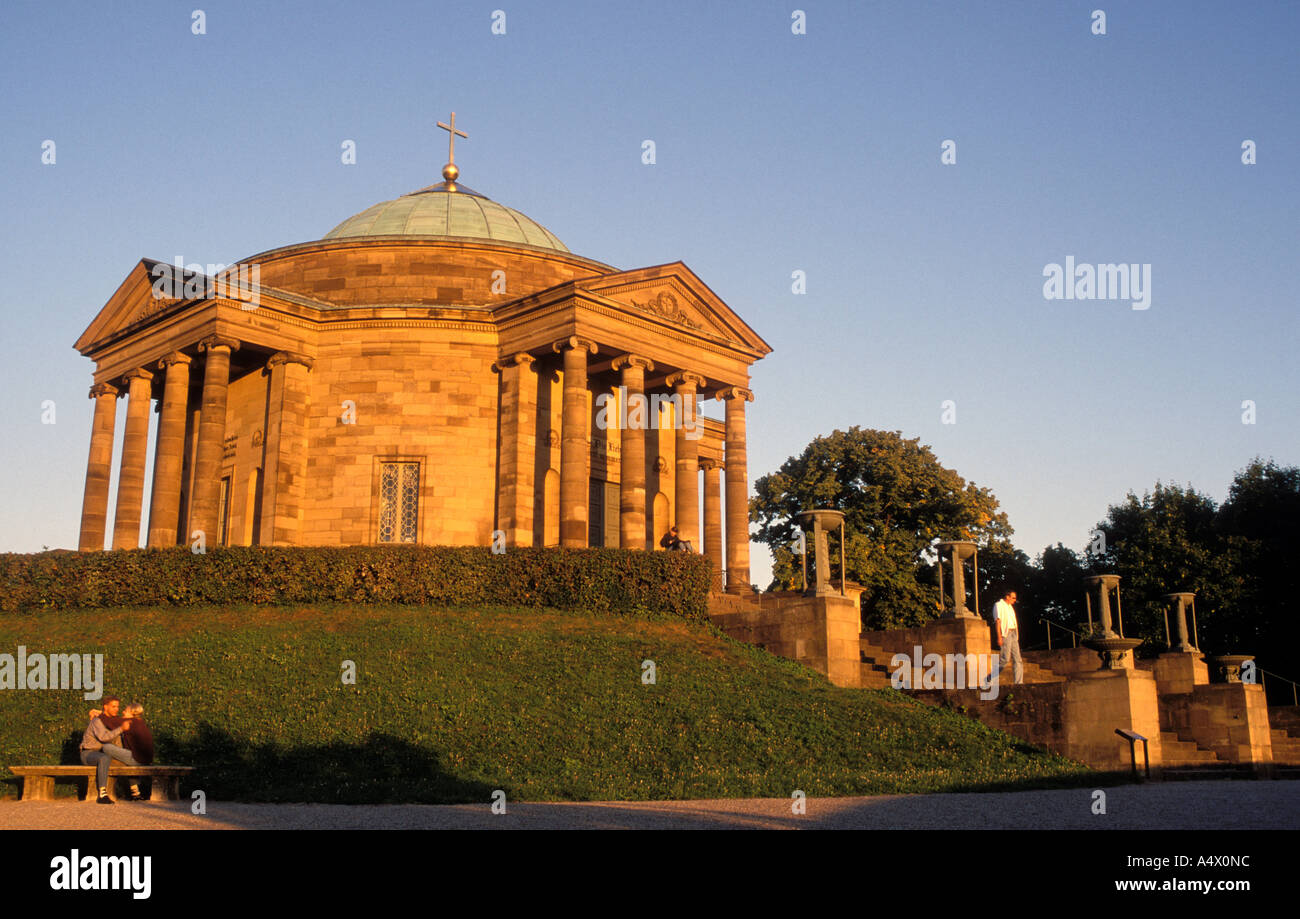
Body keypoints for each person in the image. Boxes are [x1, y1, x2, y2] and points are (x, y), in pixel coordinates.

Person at [79, 696, 138, 803]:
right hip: (89, 754)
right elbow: (104, 737)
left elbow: (118, 744)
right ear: (105, 707)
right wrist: (121, 729)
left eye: (117, 707)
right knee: (104, 758)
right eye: (113, 706)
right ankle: (102, 794)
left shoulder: (113, 723)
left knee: (126, 759)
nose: (117, 709)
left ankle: (134, 792)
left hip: (104, 754)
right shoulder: (97, 721)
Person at [993, 589, 1023, 685]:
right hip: (1006, 634)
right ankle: (990, 678)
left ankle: (1019, 683)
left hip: (1013, 633)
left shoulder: (1010, 607)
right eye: (1013, 598)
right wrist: (999, 637)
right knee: (1005, 659)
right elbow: (998, 621)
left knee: (1018, 659)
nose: (1015, 600)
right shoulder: (999, 605)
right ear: (1007, 596)